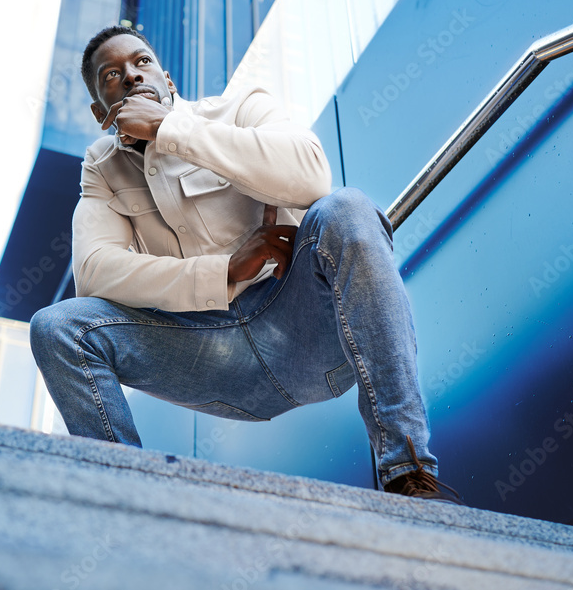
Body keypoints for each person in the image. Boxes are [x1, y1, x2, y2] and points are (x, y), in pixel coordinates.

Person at [29, 25, 462, 504]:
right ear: (99, 112)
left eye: (141, 62)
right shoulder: (101, 167)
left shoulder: (240, 108)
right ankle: (125, 501)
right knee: (57, 326)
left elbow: (312, 173)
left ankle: (409, 473)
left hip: (304, 332)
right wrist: (224, 271)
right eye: (112, 75)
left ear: (167, 79)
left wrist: (169, 130)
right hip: (207, 355)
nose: (131, 76)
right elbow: (94, 272)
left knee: (346, 208)